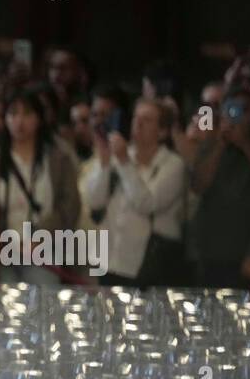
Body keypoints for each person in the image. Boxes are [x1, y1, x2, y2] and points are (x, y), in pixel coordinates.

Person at [0, 89, 82, 283]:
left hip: (44, 251)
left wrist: (42, 235)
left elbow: (70, 205)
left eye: (27, 114)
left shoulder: (58, 159)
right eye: (13, 114)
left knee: (43, 304)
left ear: (39, 119)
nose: (19, 121)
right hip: (1, 254)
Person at [80, 96, 187, 286]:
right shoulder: (120, 155)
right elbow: (94, 201)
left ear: (162, 131)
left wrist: (123, 162)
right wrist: (104, 163)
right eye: (135, 118)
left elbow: (147, 204)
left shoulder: (173, 165)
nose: (137, 123)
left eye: (146, 120)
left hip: (147, 265)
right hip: (109, 259)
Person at [189, 87, 250, 288]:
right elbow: (199, 185)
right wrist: (220, 142)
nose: (237, 114)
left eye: (244, 110)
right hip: (208, 248)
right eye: (232, 108)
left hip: (243, 251)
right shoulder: (211, 143)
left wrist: (245, 143)